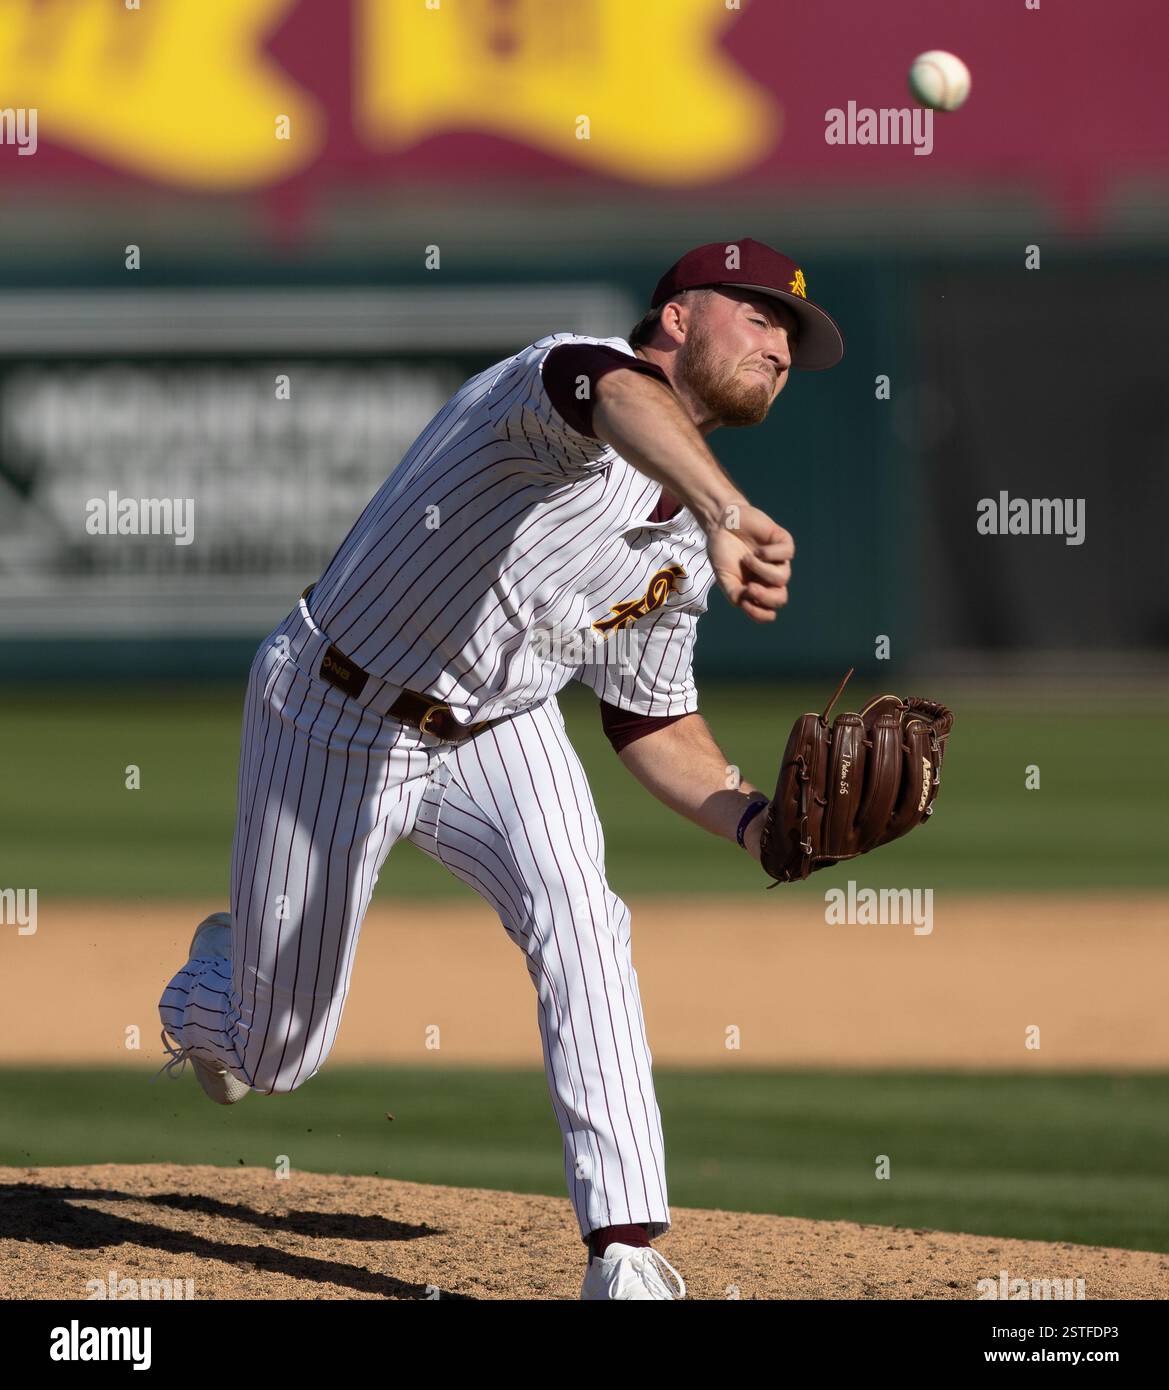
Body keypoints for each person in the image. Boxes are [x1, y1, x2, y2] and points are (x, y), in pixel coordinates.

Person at [157, 238, 844, 1300]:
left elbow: (648, 722)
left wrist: (755, 820)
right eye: (755, 315)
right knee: (273, 1049)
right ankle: (216, 977)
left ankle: (623, 1251)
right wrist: (722, 509)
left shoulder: (676, 554)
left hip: (501, 729)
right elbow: (609, 393)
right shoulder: (562, 382)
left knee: (581, 916)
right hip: (333, 710)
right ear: (673, 319)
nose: (779, 346)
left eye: (790, 335)